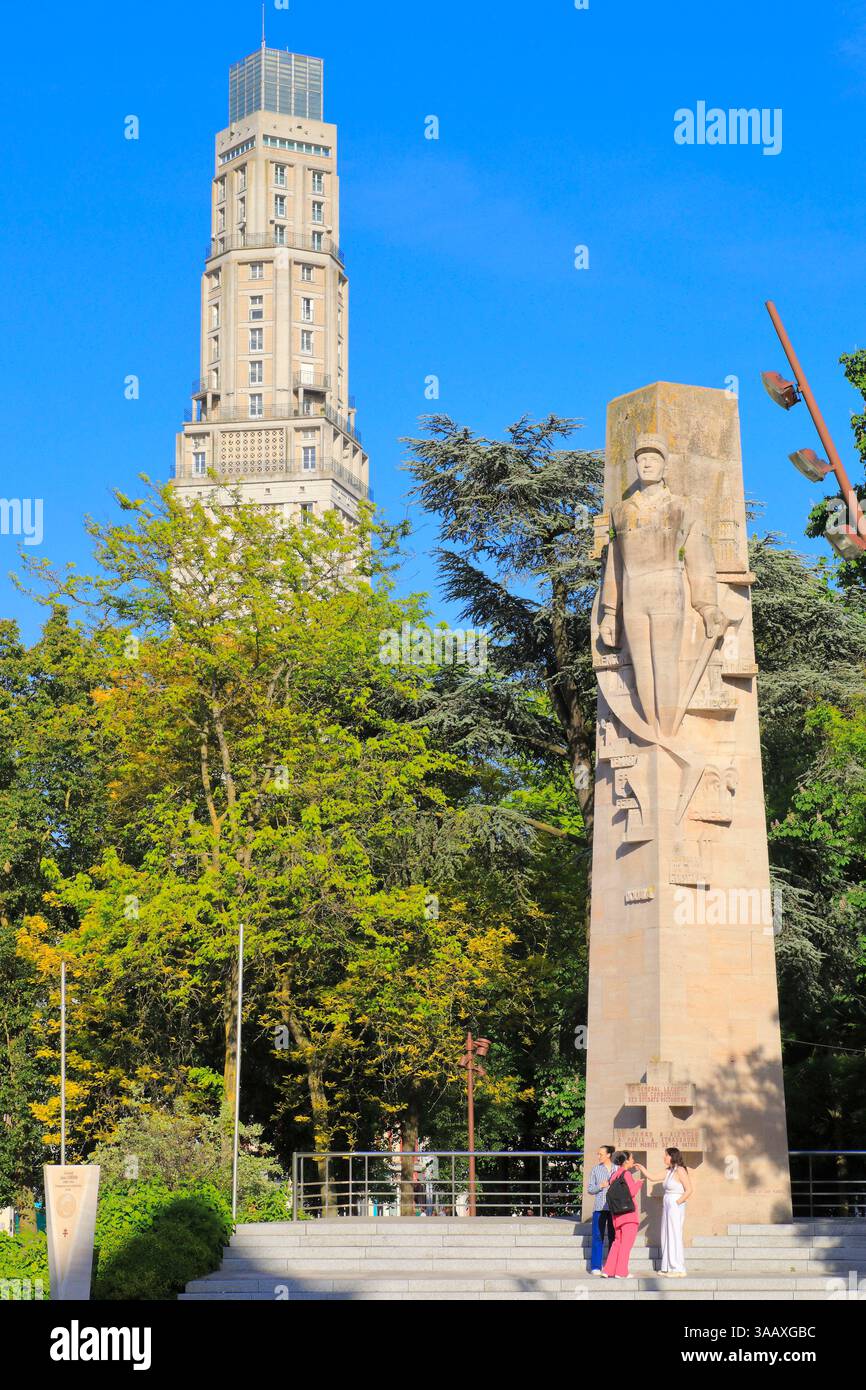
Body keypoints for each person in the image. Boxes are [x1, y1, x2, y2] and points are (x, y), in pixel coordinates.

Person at [635, 1147, 693, 1276]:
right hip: (667, 1204)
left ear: (672, 1156)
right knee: (666, 1234)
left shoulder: (680, 1170)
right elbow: (653, 1177)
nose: (664, 1157)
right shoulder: (669, 1171)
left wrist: (677, 1203)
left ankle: (677, 1268)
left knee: (674, 1234)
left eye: (666, 1155)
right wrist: (642, 1168)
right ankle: (667, 1266)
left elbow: (689, 1189)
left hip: (675, 1204)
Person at [602, 1151, 644, 1279]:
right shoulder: (626, 1174)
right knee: (626, 1244)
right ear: (626, 1161)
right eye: (632, 1158)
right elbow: (631, 1192)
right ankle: (621, 1272)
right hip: (628, 1215)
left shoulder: (615, 1174)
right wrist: (639, 1182)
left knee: (617, 1242)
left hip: (617, 1215)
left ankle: (608, 1270)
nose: (633, 1160)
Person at [585, 1144, 619, 1274]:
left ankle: (610, 1265)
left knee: (613, 1237)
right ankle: (596, 1267)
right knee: (597, 1236)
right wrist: (601, 1185)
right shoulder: (595, 1170)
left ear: (608, 1155)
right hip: (599, 1208)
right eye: (598, 1154)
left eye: (601, 1154)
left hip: (614, 1208)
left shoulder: (618, 1169)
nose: (598, 1156)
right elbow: (590, 1189)